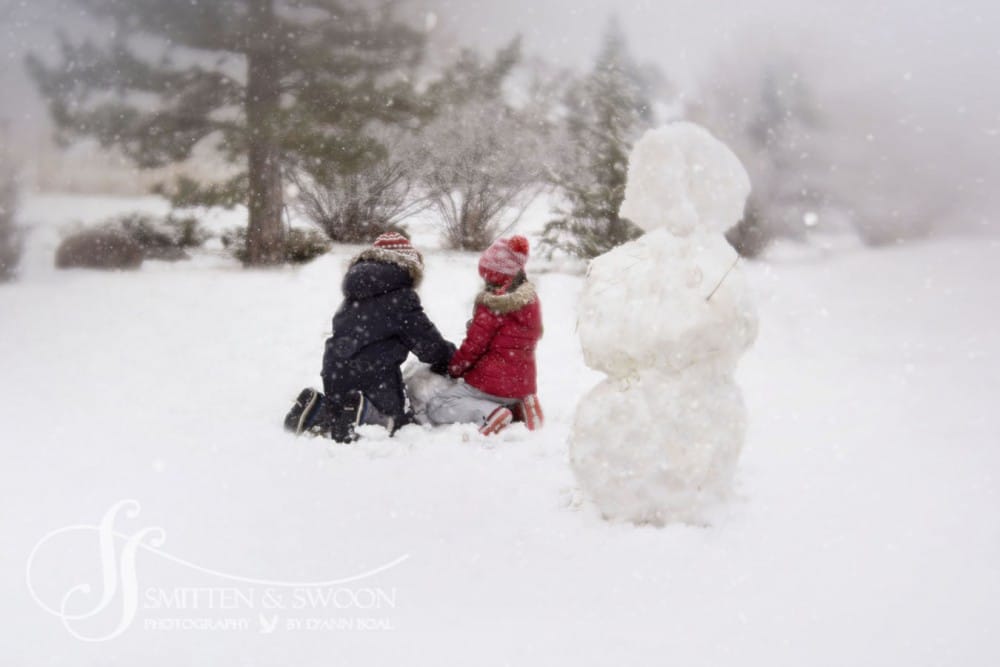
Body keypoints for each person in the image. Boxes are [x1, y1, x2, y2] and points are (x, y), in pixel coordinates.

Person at [284, 232, 455, 442]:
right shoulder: (402, 298)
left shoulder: (351, 298)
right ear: (409, 266)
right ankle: (365, 412)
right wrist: (451, 356)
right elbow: (429, 348)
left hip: (334, 374)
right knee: (397, 422)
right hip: (375, 378)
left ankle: (317, 408)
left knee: (340, 410)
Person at [427, 235, 544, 435]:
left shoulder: (492, 303)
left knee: (438, 405)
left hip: (491, 385)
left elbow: (474, 347)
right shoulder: (530, 300)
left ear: (492, 273)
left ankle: (491, 414)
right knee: (506, 393)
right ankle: (520, 405)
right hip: (523, 383)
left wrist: (454, 369)